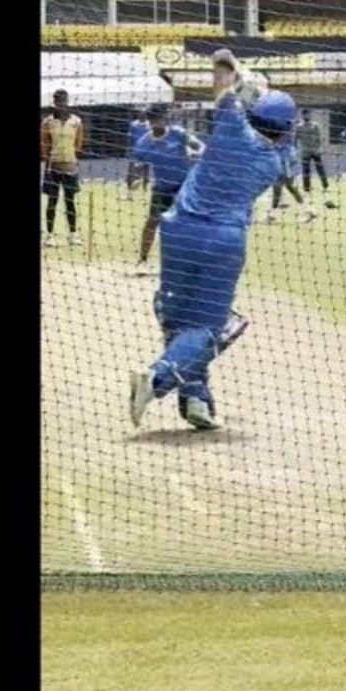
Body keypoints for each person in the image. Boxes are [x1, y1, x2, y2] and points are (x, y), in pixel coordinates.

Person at [128, 49, 300, 431]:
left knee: (177, 316)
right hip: (222, 242)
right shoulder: (276, 161)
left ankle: (196, 398)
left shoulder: (231, 124)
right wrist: (258, 88)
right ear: (286, 128)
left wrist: (240, 75)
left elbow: (220, 62)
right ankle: (156, 379)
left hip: (177, 230)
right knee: (215, 326)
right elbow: (278, 135)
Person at [130, 103, 206, 273]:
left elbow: (199, 145)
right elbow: (137, 164)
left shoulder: (177, 133)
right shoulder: (144, 142)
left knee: (188, 224)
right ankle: (142, 261)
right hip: (162, 189)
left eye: (162, 117)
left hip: (184, 188)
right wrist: (135, 179)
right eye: (155, 118)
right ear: (150, 121)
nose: (160, 121)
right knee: (152, 222)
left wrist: (197, 153)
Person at [40, 89, 85, 246]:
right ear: (54, 103)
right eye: (58, 102)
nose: (61, 105)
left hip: (70, 166)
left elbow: (78, 145)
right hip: (52, 167)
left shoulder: (76, 122)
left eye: (63, 101)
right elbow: (44, 144)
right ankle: (49, 236)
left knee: (70, 201)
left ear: (67, 102)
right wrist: (47, 163)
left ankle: (73, 235)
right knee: (52, 201)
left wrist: (73, 161)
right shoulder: (47, 122)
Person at [296, 109, 331, 199]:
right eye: (305, 115)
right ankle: (306, 189)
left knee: (320, 169)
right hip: (305, 151)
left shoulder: (315, 125)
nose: (307, 116)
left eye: (308, 114)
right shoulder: (299, 126)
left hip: (315, 151)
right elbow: (296, 138)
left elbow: (319, 137)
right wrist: (295, 149)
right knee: (306, 171)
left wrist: (318, 147)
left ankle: (325, 186)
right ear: (302, 116)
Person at [124, 109, 151, 200]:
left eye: (144, 113)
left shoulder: (149, 125)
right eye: (140, 113)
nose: (142, 115)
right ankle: (129, 194)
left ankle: (144, 194)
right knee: (131, 173)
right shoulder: (133, 125)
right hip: (135, 153)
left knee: (145, 174)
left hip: (146, 153)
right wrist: (128, 150)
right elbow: (129, 138)